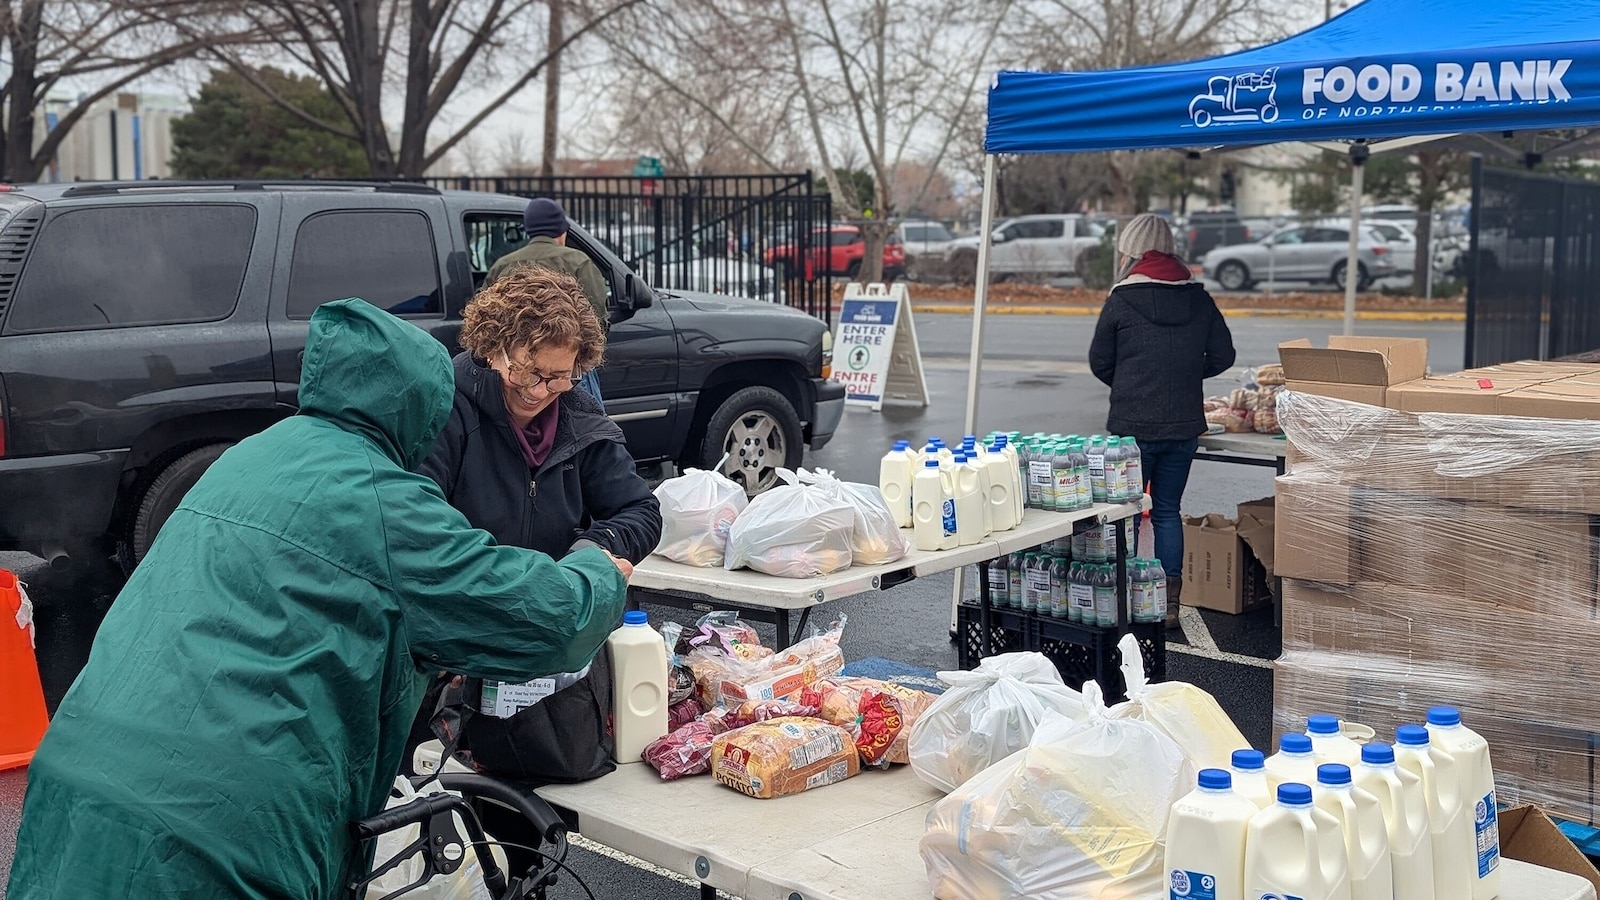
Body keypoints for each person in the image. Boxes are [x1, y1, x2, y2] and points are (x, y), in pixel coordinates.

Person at [5, 299, 632, 900]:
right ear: (420, 408)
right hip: (220, 832)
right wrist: (597, 567)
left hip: (74, 785)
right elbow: (548, 618)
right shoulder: (386, 504)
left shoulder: (246, 459)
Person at [405, 267, 661, 782]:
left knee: (531, 806)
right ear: (495, 347)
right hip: (451, 654)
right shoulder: (445, 408)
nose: (542, 390)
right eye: (529, 372)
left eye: (559, 375)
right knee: (440, 809)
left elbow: (640, 510)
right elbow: (418, 523)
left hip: (542, 657)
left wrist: (595, 547)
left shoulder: (579, 417)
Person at [1088, 213, 1236, 630]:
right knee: (1168, 510)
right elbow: (1224, 356)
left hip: (1132, 424)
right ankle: (1169, 603)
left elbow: (1100, 361)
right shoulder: (1198, 298)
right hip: (1183, 426)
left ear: (1130, 251)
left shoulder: (1121, 299)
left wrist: (1135, 382)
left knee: (1130, 513)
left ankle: (1131, 597)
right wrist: (1184, 377)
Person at [486, 197, 610, 404]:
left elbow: (488, 320)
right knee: (585, 428)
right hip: (568, 371)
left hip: (517, 371)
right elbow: (596, 324)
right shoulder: (579, 262)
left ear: (528, 230)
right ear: (562, 232)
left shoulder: (503, 265)